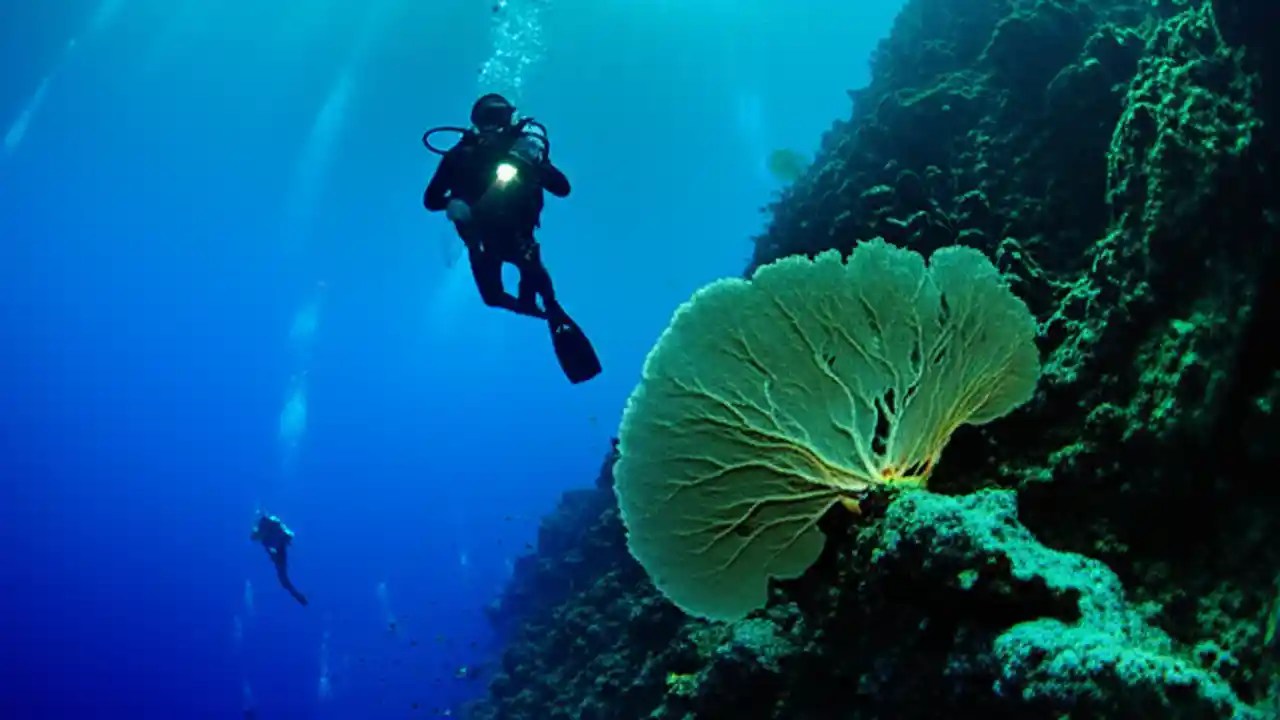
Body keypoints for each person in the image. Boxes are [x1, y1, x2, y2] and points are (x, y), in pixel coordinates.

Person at [422, 93, 601, 383]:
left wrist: (536, 165)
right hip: (481, 241)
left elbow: (563, 187)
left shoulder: (525, 150)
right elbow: (430, 200)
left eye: (498, 121)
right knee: (492, 298)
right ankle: (541, 313)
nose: (491, 129)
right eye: (485, 122)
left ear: (509, 121)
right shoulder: (460, 155)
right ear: (476, 125)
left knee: (541, 292)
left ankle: (551, 313)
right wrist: (452, 203)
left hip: (519, 240)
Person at [250, 514, 308, 606]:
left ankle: (299, 597)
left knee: (283, 580)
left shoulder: (269, 525)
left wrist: (285, 538)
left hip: (280, 548)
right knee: (283, 580)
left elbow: (287, 533)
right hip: (278, 549)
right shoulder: (265, 537)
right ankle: (299, 596)